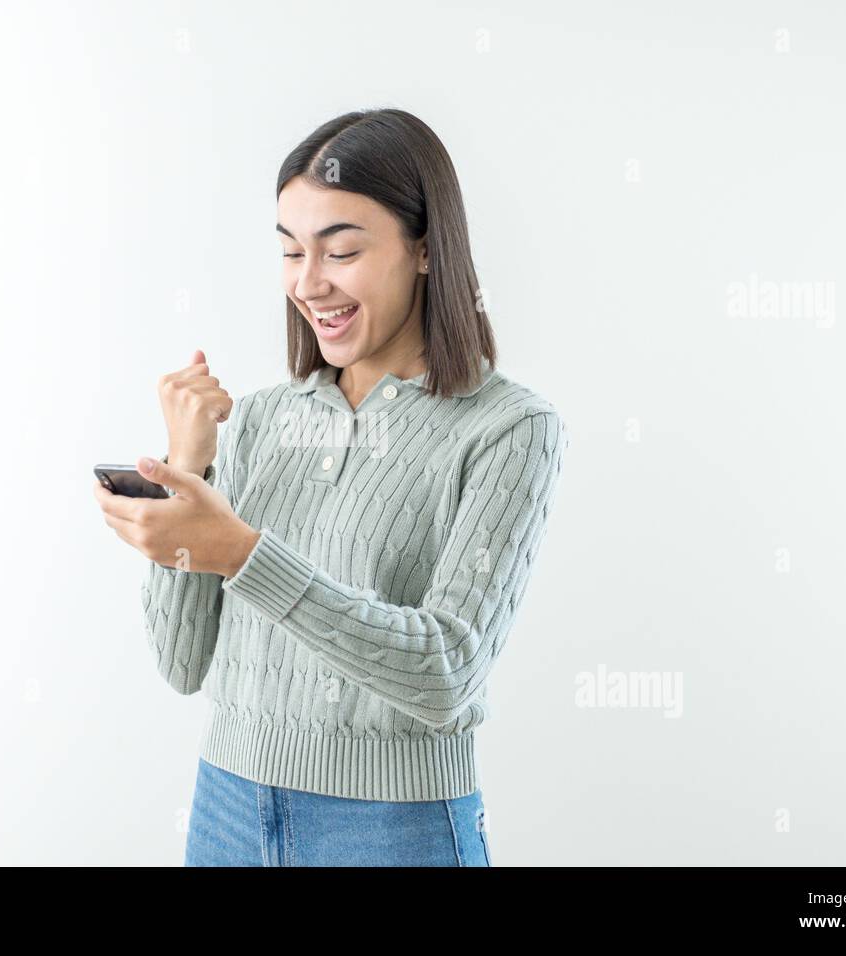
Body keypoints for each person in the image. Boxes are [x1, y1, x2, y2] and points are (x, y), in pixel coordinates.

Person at [94, 108, 568, 866]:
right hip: (226, 810)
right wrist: (189, 466)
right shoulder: (257, 420)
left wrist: (246, 555)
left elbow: (447, 675)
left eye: (340, 250)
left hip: (393, 831)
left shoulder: (508, 428)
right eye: (289, 253)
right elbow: (181, 664)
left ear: (424, 249)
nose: (308, 285)